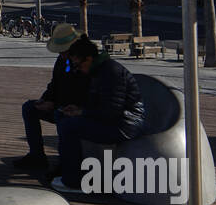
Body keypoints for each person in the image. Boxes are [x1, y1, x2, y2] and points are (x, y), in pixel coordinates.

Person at [50, 35, 146, 193]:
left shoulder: (110, 72)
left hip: (126, 125)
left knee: (69, 127)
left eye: (78, 65)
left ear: (88, 59)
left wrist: (82, 112)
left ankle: (74, 181)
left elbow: (111, 111)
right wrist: (77, 110)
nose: (77, 69)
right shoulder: (99, 70)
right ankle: (67, 169)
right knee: (63, 116)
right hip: (115, 119)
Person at [14, 24, 88, 172]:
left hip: (80, 110)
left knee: (62, 116)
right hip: (59, 105)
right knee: (29, 108)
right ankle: (37, 156)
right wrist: (46, 99)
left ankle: (66, 162)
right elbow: (54, 84)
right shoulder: (62, 60)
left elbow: (86, 92)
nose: (61, 54)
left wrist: (59, 105)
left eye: (63, 51)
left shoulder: (86, 62)